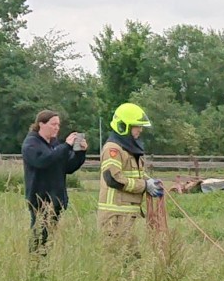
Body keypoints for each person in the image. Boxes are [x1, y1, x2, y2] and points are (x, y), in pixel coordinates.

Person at [97, 102, 162, 252]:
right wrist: (144, 186)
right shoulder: (113, 149)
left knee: (132, 260)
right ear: (123, 126)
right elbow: (113, 179)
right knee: (116, 260)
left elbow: (133, 174)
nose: (140, 130)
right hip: (114, 216)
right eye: (136, 126)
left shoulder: (127, 149)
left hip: (127, 215)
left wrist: (149, 181)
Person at [21, 110, 88, 254]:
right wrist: (66, 146)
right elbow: (43, 161)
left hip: (56, 199)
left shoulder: (54, 144)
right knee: (39, 235)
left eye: (58, 124)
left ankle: (44, 266)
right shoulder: (31, 144)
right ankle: (35, 265)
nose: (57, 127)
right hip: (39, 199)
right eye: (53, 124)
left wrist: (79, 153)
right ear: (41, 124)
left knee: (49, 237)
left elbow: (67, 167)